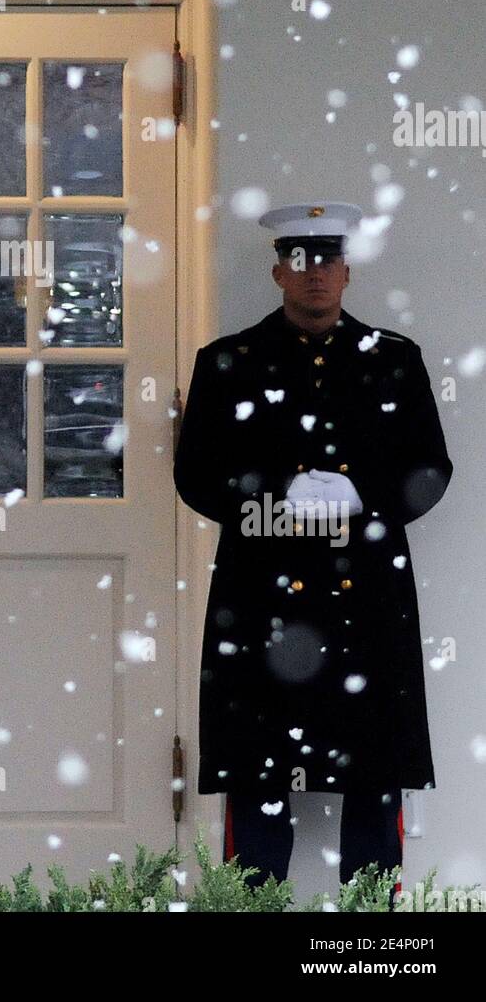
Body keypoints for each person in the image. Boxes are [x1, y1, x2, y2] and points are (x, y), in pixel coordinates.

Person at [174, 202, 453, 897]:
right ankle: (252, 909)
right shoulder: (228, 362)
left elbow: (431, 469)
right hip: (261, 600)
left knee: (375, 774)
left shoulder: (393, 361)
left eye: (326, 262)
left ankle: (371, 939)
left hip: (368, 597)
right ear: (278, 273)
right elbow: (196, 476)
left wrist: (363, 498)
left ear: (347, 273)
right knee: (258, 775)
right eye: (299, 263)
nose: (315, 277)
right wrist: (276, 493)